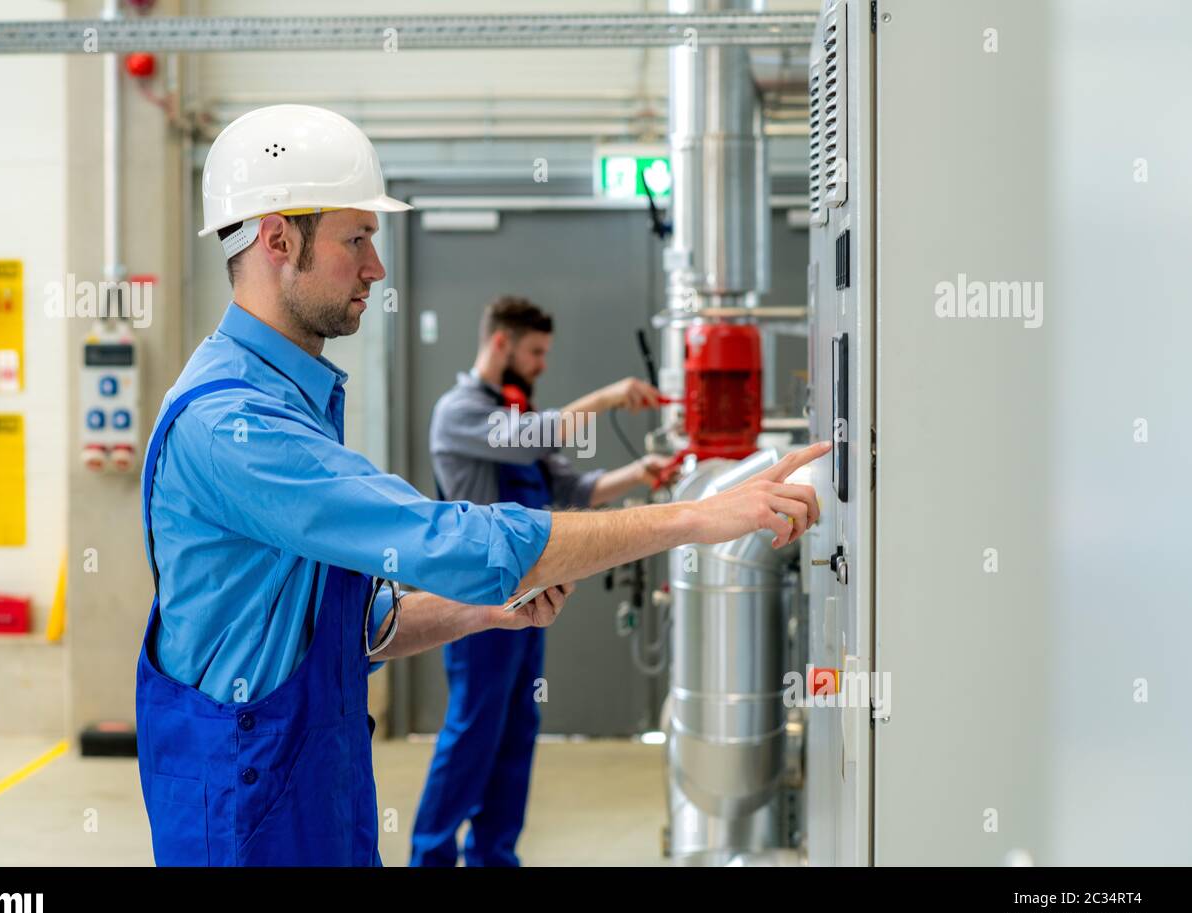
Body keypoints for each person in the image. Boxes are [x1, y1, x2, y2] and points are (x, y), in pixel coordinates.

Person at [137, 103, 830, 867]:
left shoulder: (286, 400)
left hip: (308, 801)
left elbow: (355, 629)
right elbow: (454, 541)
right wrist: (700, 517)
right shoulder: (236, 425)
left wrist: (481, 609)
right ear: (277, 239)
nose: (376, 265)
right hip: (250, 824)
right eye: (357, 238)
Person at [410, 295, 671, 866]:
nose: (541, 365)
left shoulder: (518, 411)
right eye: (534, 352)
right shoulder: (459, 412)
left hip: (529, 604)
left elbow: (574, 492)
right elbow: (531, 438)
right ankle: (429, 858)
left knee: (516, 732)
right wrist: (606, 398)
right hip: (477, 607)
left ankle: (494, 856)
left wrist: (640, 474)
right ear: (500, 342)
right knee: (473, 732)